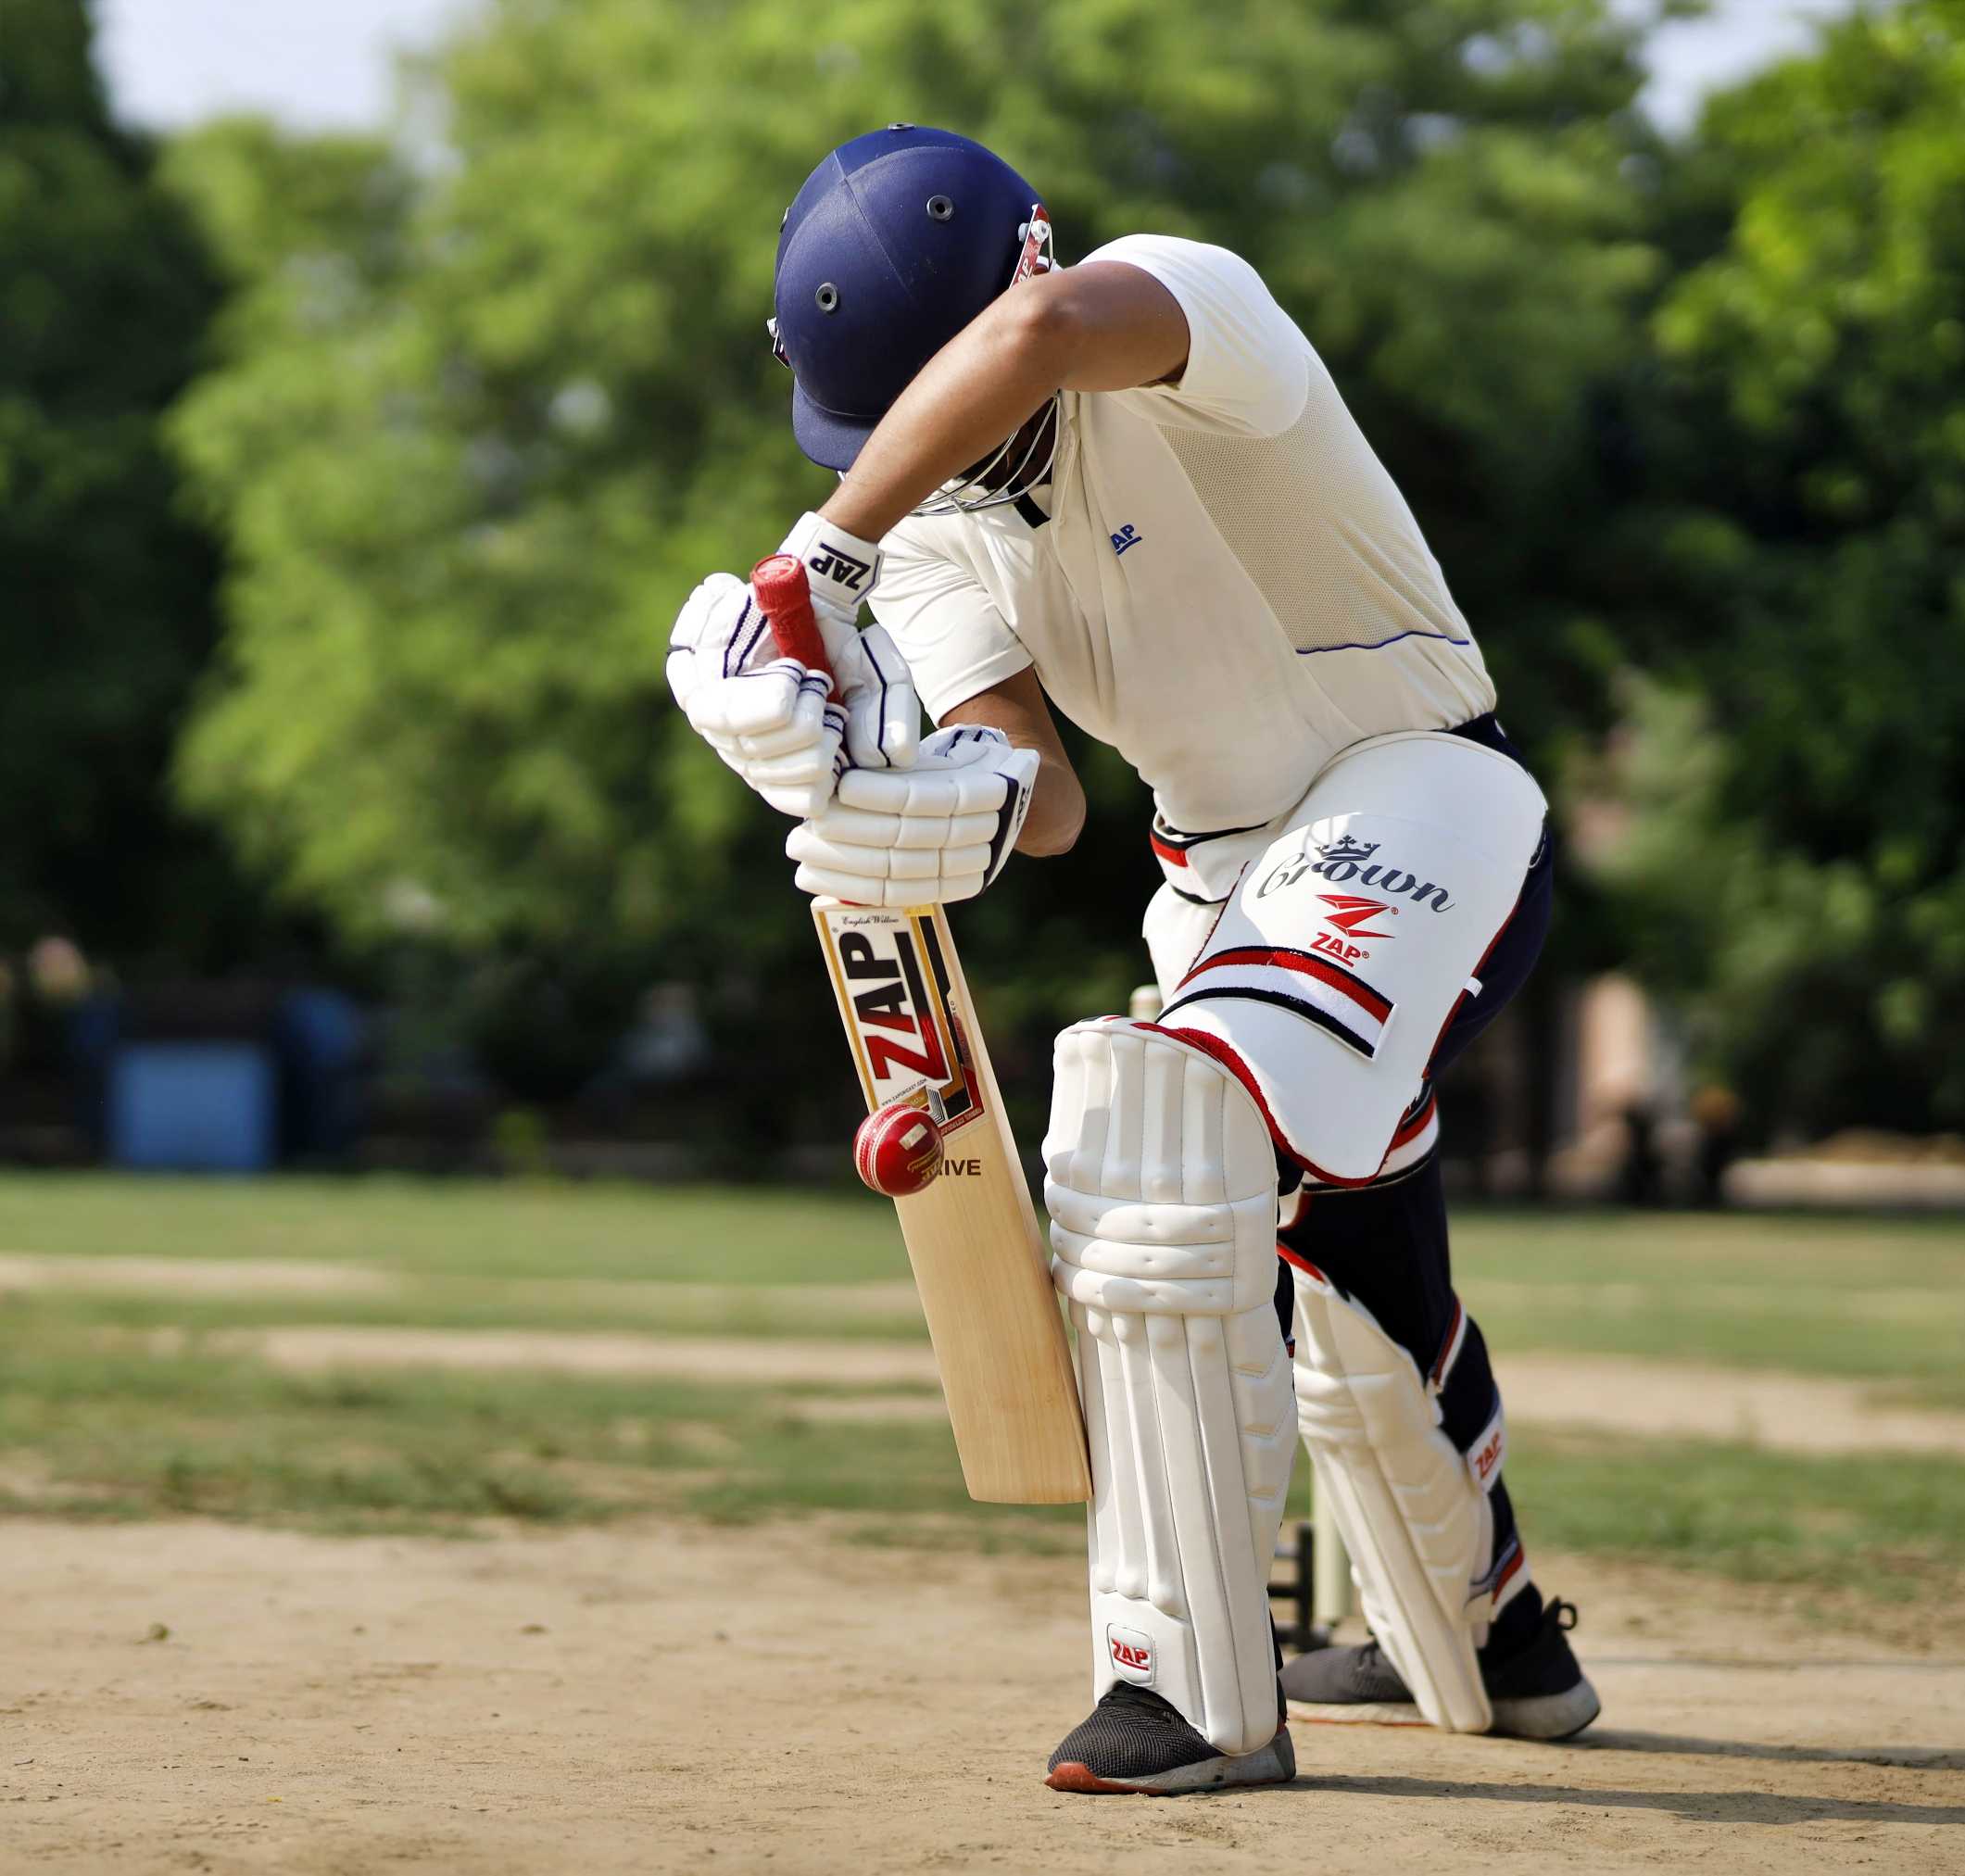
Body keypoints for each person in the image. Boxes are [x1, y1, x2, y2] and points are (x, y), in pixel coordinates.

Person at [668, 123, 1599, 1795]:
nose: (906, 459)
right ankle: (1492, 1632)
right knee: (1340, 1249)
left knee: (1164, 1149)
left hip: (1421, 789)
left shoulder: (1180, 305)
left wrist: (807, 562)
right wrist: (919, 798)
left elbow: (1030, 343)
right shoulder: (942, 518)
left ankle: (1185, 1688)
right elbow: (1046, 791)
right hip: (1217, 869)